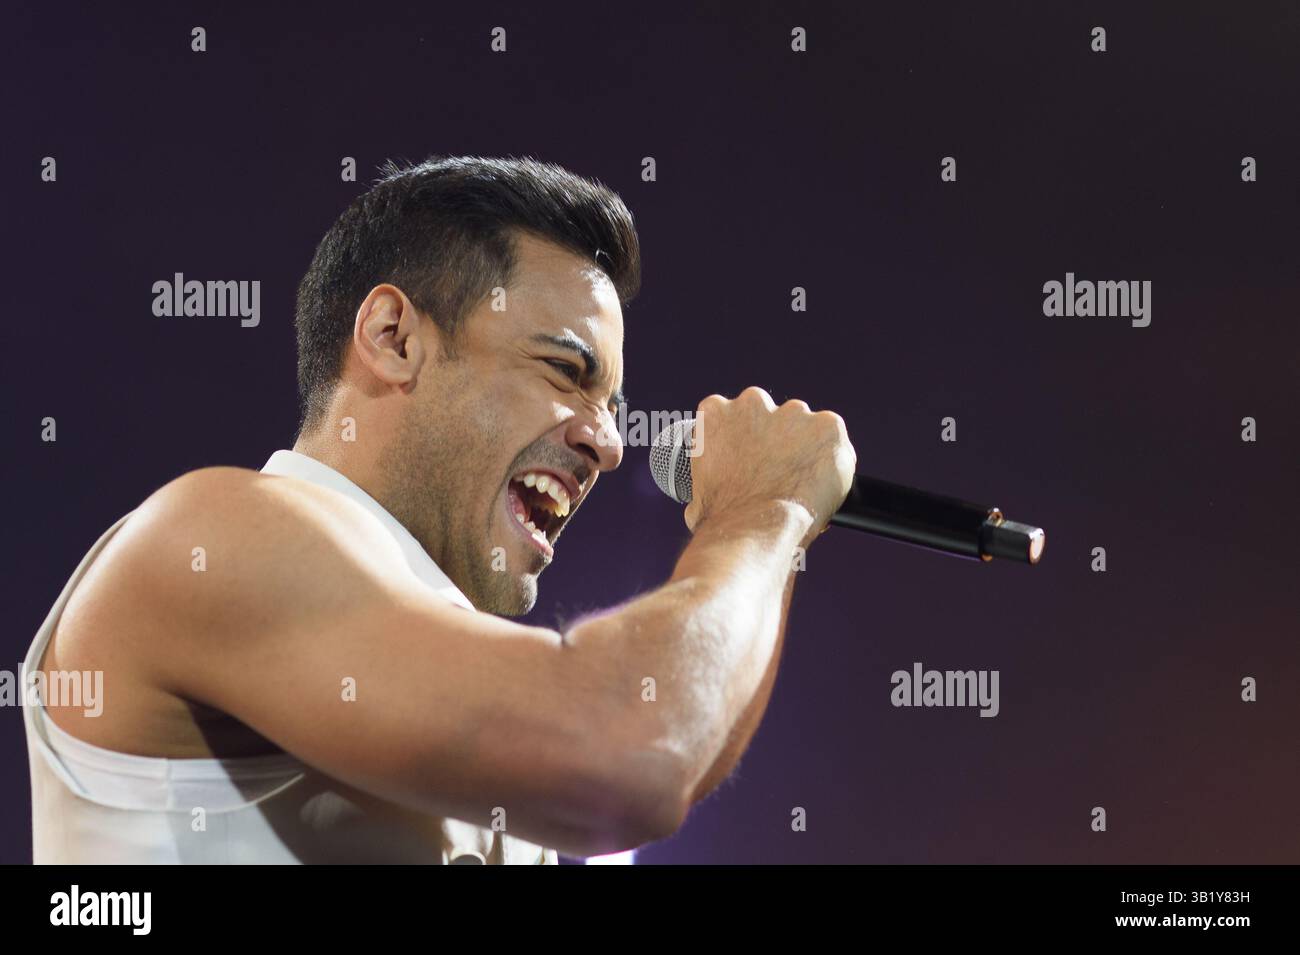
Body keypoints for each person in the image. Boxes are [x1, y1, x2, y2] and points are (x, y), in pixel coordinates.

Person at [23, 156, 856, 863]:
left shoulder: (478, 689)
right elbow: (635, 754)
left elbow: (670, 753)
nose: (609, 442)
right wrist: (763, 508)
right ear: (393, 336)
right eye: (566, 370)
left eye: (611, 401)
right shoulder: (212, 530)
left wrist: (769, 534)